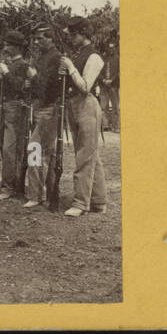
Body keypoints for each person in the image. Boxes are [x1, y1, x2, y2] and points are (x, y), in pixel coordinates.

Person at [61, 17, 108, 216]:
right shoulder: (78, 53)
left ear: (84, 34)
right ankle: (99, 201)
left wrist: (70, 68)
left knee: (84, 155)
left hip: (87, 104)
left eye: (74, 34)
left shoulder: (94, 57)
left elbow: (85, 86)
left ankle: (80, 203)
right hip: (73, 105)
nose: (71, 38)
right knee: (90, 154)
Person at [22, 25, 63, 209]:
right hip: (42, 108)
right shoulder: (44, 57)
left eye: (40, 39)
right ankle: (50, 192)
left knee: (34, 148)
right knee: (48, 153)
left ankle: (36, 194)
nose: (37, 42)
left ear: (51, 39)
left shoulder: (55, 58)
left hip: (49, 109)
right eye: (36, 39)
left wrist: (34, 77)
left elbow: (46, 89)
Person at [0, 30, 35, 200]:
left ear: (16, 47)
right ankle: (12, 184)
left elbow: (20, 87)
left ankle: (9, 186)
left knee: (11, 148)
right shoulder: (11, 65)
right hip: (6, 107)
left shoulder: (23, 65)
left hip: (16, 108)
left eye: (8, 45)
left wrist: (6, 73)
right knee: (7, 147)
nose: (5, 48)